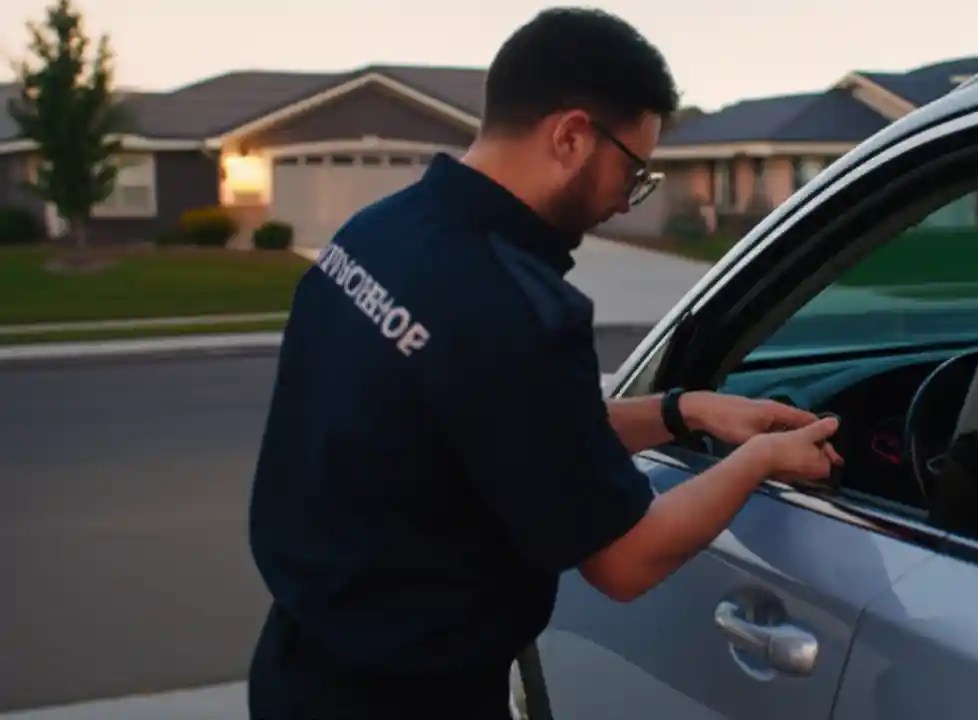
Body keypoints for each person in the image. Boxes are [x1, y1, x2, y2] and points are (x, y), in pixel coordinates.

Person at [246, 7, 843, 718]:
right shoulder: (517, 307)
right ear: (571, 136)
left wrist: (685, 411)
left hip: (296, 667)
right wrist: (759, 461)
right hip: (410, 698)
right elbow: (625, 560)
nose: (624, 200)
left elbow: (510, 430)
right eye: (634, 171)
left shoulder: (376, 235)